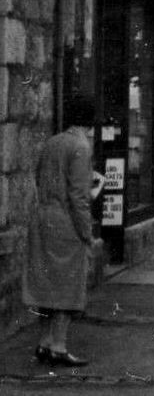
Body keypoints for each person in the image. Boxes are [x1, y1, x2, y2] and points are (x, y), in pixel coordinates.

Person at [24, 96, 98, 368]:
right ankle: (59, 345)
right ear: (89, 122)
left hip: (43, 219)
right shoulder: (80, 147)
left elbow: (38, 177)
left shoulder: (52, 142)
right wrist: (87, 233)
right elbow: (79, 197)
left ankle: (44, 342)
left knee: (47, 285)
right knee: (68, 286)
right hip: (66, 222)